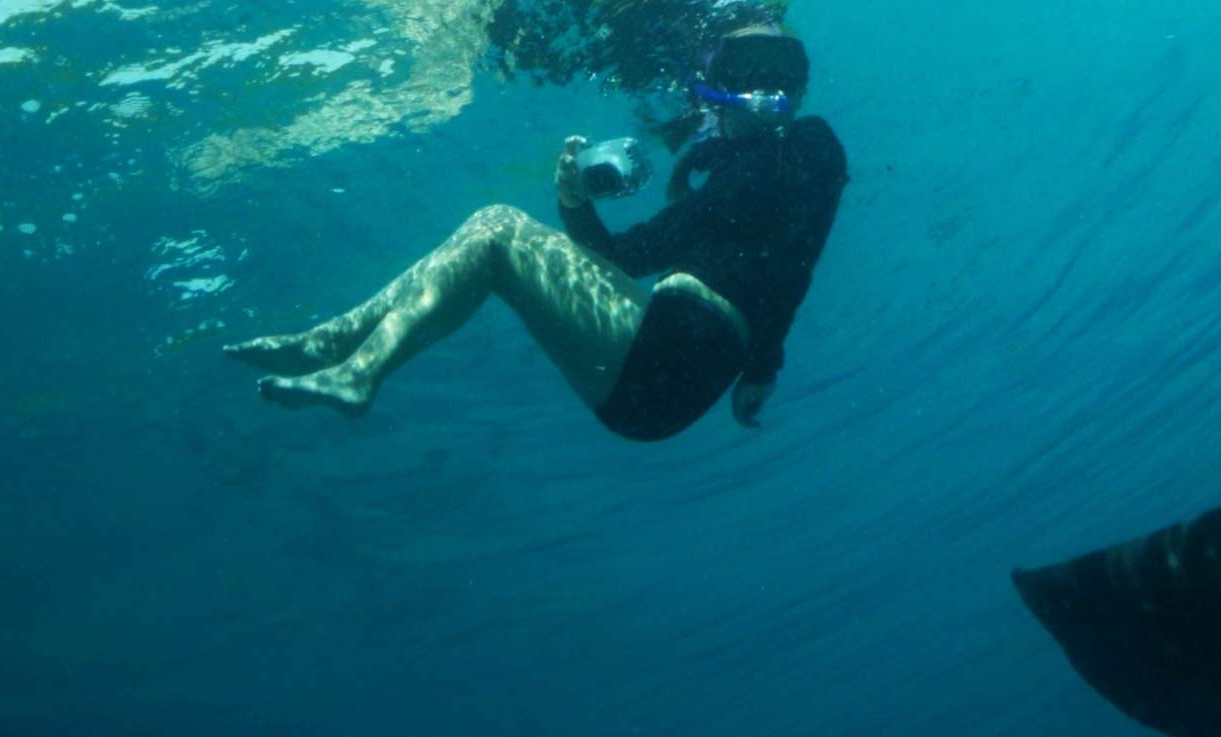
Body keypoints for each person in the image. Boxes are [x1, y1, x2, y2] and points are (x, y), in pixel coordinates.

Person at [224, 25, 848, 441]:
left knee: (494, 226)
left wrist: (574, 200)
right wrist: (764, 366)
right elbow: (783, 266)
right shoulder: (787, 165)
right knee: (492, 237)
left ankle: (356, 369)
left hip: (666, 363)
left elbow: (636, 257)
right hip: (670, 366)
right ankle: (332, 345)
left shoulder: (783, 159)